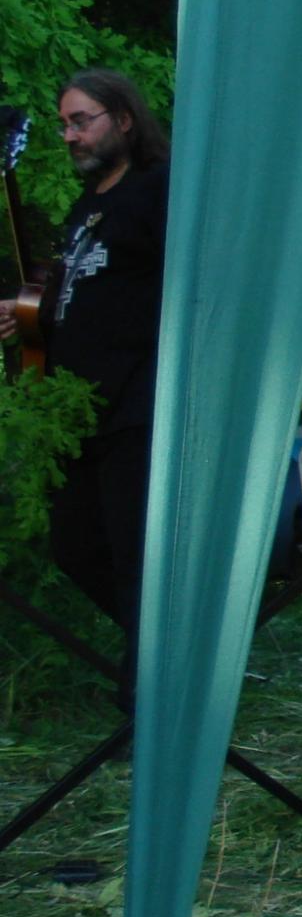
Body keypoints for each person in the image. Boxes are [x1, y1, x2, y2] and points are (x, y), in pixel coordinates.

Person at [0, 69, 171, 711]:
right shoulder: (87, 207)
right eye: (65, 123)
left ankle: (147, 708)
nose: (71, 135)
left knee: (133, 556)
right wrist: (27, 315)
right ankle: (172, 658)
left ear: (124, 118)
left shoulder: (159, 190)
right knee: (75, 545)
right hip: (78, 409)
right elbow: (74, 294)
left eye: (83, 120)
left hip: (134, 400)